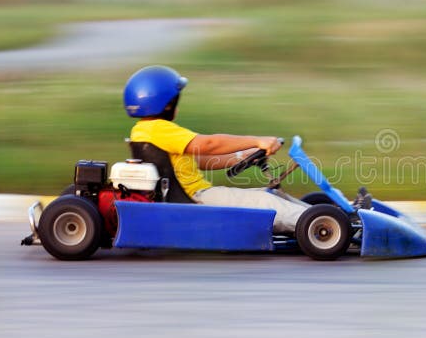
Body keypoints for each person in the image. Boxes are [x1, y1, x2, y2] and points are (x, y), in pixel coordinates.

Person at [123, 65, 308, 234]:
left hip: (196, 195)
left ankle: (321, 215)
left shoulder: (144, 131)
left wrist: (242, 156)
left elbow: (198, 160)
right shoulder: (158, 129)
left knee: (271, 195)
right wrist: (257, 141)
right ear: (167, 103)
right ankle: (321, 223)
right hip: (197, 197)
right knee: (267, 203)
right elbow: (209, 145)